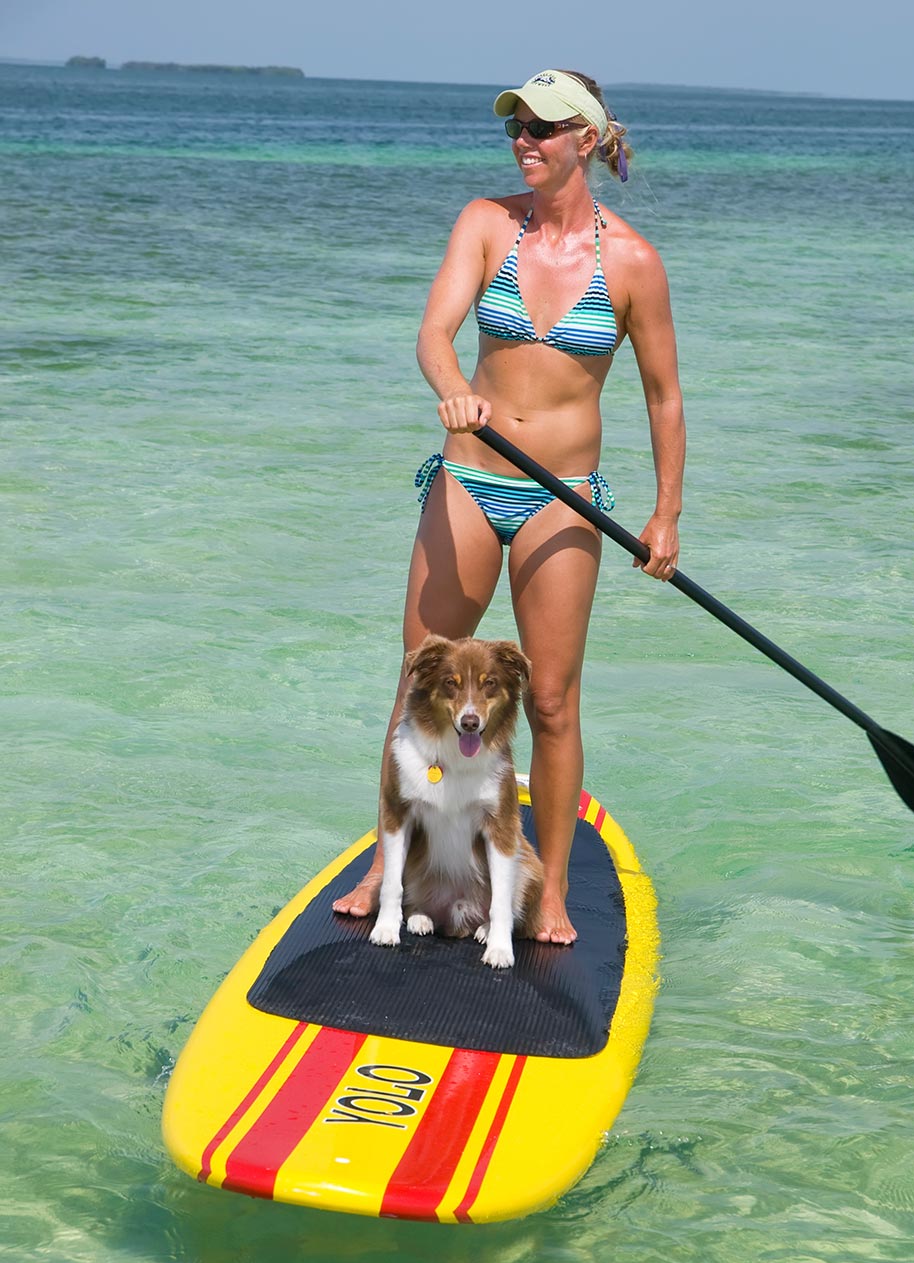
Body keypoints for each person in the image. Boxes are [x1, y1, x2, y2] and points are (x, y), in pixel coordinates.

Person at [334, 68, 686, 943]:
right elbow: (433, 333)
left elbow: (664, 397)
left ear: (590, 141)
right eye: (516, 126)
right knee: (419, 673)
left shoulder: (634, 261)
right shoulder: (486, 224)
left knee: (553, 700)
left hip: (562, 500)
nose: (525, 140)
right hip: (468, 475)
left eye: (544, 127)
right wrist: (453, 388)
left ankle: (551, 886)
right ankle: (388, 862)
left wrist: (665, 513)